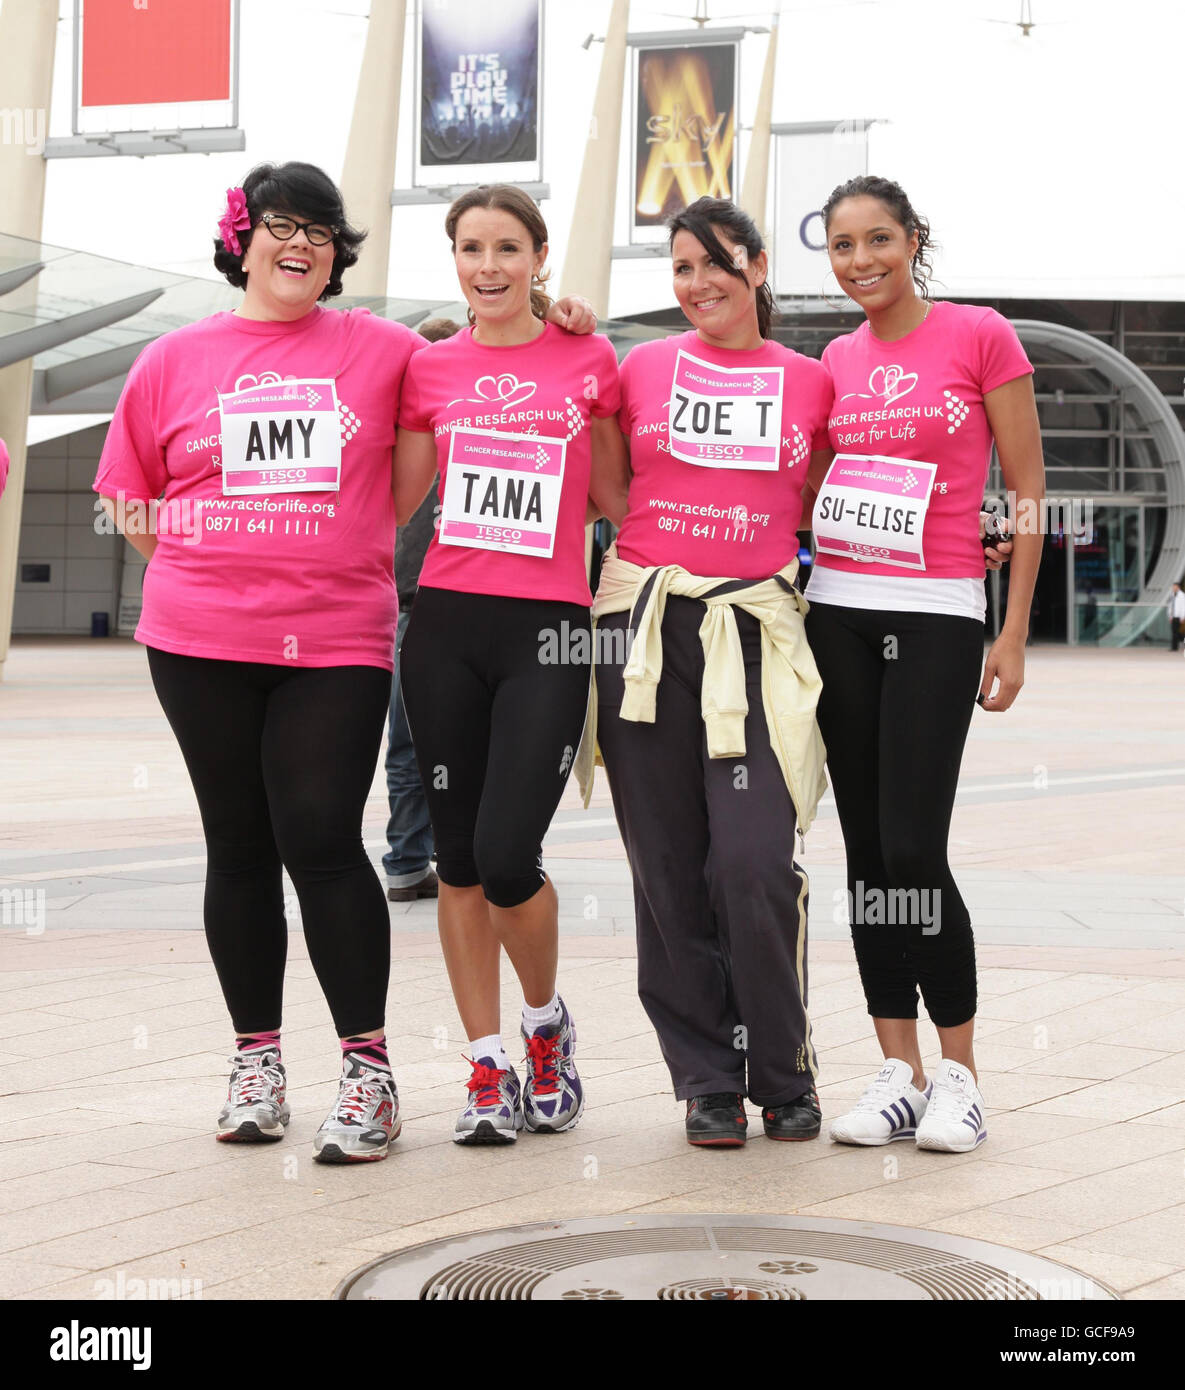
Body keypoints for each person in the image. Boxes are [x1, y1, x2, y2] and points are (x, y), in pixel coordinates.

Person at [93, 163, 594, 1164]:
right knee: (235, 844)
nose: (302, 244)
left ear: (337, 254)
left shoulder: (389, 351)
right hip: (199, 640)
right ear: (243, 238)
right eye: (282, 226)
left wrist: (561, 315)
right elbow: (126, 497)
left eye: (321, 231)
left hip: (334, 641)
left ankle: (367, 1073)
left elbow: (488, 365)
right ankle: (257, 1062)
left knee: (321, 838)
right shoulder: (171, 359)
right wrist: (206, 566)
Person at [580, 197, 833, 1149]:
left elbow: (828, 496)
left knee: (753, 858)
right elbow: (611, 485)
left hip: (755, 629)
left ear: (759, 266)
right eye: (680, 268)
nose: (697, 285)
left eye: (716, 264)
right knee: (667, 866)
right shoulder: (638, 366)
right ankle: (705, 1080)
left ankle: (782, 1067)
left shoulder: (811, 383)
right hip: (639, 630)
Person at [807, 175, 1044, 1154]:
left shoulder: (980, 335)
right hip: (838, 613)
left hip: (941, 613)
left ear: (914, 241)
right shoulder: (832, 357)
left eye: (878, 240)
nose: (860, 259)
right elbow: (820, 481)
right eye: (843, 244)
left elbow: (1027, 484)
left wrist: (1015, 626)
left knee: (913, 846)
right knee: (866, 854)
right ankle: (895, 1068)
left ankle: (960, 1074)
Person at [395, 184, 624, 1145]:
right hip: (444, 626)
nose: (486, 266)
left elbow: (614, 494)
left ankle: (544, 1027)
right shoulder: (426, 370)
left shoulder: (588, 357)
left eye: (506, 248)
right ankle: (484, 1066)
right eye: (469, 248)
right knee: (454, 860)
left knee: (504, 854)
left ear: (537, 258)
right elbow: (392, 501)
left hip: (548, 631)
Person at [383, 317, 461, 904]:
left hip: (404, 606)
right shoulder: (462, 435)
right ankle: (451, 853)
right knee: (460, 739)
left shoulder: (398, 441)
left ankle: (409, 857)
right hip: (455, 602)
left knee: (408, 743)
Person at [1169, 582, 1185, 652]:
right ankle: (1174, 647)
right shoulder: (1172, 595)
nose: (1173, 588)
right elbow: (1170, 606)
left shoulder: (1182, 595)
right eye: (1173, 587)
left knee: (1176, 632)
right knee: (1174, 632)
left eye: (1175, 587)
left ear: (1178, 587)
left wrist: (1183, 617)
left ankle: (1175, 647)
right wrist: (1170, 615)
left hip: (1179, 616)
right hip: (1173, 616)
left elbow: (1183, 607)